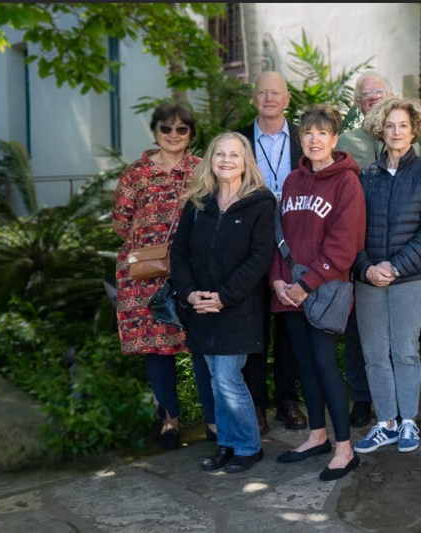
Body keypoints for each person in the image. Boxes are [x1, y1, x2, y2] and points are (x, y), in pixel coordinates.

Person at [170, 132, 276, 473]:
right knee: (216, 380)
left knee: (229, 379)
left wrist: (225, 297)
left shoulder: (261, 202)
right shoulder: (198, 201)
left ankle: (248, 446)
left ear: (246, 161)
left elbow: (260, 257)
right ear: (210, 161)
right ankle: (227, 445)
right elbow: (180, 253)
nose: (226, 160)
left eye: (234, 155)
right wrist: (189, 293)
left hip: (239, 307)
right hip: (200, 306)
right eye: (220, 154)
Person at [270, 104, 365, 481]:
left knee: (326, 365)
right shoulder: (293, 181)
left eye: (321, 133)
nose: (314, 139)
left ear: (334, 139)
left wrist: (305, 285)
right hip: (289, 292)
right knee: (303, 366)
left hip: (324, 291)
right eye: (308, 132)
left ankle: (345, 447)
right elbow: (278, 238)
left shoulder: (347, 183)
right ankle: (318, 435)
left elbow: (345, 246)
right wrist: (278, 280)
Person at [352, 97, 421, 454]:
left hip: (410, 279)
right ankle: (385, 423)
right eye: (390, 125)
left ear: (414, 130)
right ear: (380, 129)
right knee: (375, 353)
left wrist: (395, 266)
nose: (396, 132)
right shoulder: (366, 176)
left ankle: (408, 421)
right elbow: (352, 230)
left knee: (405, 351)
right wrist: (365, 267)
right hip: (369, 280)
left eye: (402, 126)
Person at [336, 71, 421, 428]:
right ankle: (362, 398)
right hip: (363, 253)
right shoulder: (346, 139)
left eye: (379, 91)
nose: (372, 96)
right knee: (361, 335)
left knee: (402, 342)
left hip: (405, 259)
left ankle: (404, 409)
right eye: (366, 93)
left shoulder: (413, 145)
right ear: (357, 102)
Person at [113, 103, 202, 450]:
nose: (174, 135)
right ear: (155, 132)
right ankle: (170, 418)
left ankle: (212, 418)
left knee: (199, 344)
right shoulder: (136, 173)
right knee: (158, 349)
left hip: (192, 272)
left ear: (191, 134)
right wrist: (152, 247)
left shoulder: (201, 171)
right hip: (144, 274)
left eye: (182, 130)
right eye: (167, 129)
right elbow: (121, 221)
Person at [234, 71, 307, 434]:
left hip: (293, 242)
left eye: (275, 93)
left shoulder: (302, 138)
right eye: (262, 92)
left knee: (290, 324)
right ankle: (257, 403)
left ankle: (288, 401)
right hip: (250, 241)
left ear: (287, 98)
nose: (269, 98)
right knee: (254, 323)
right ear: (254, 98)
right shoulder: (239, 140)